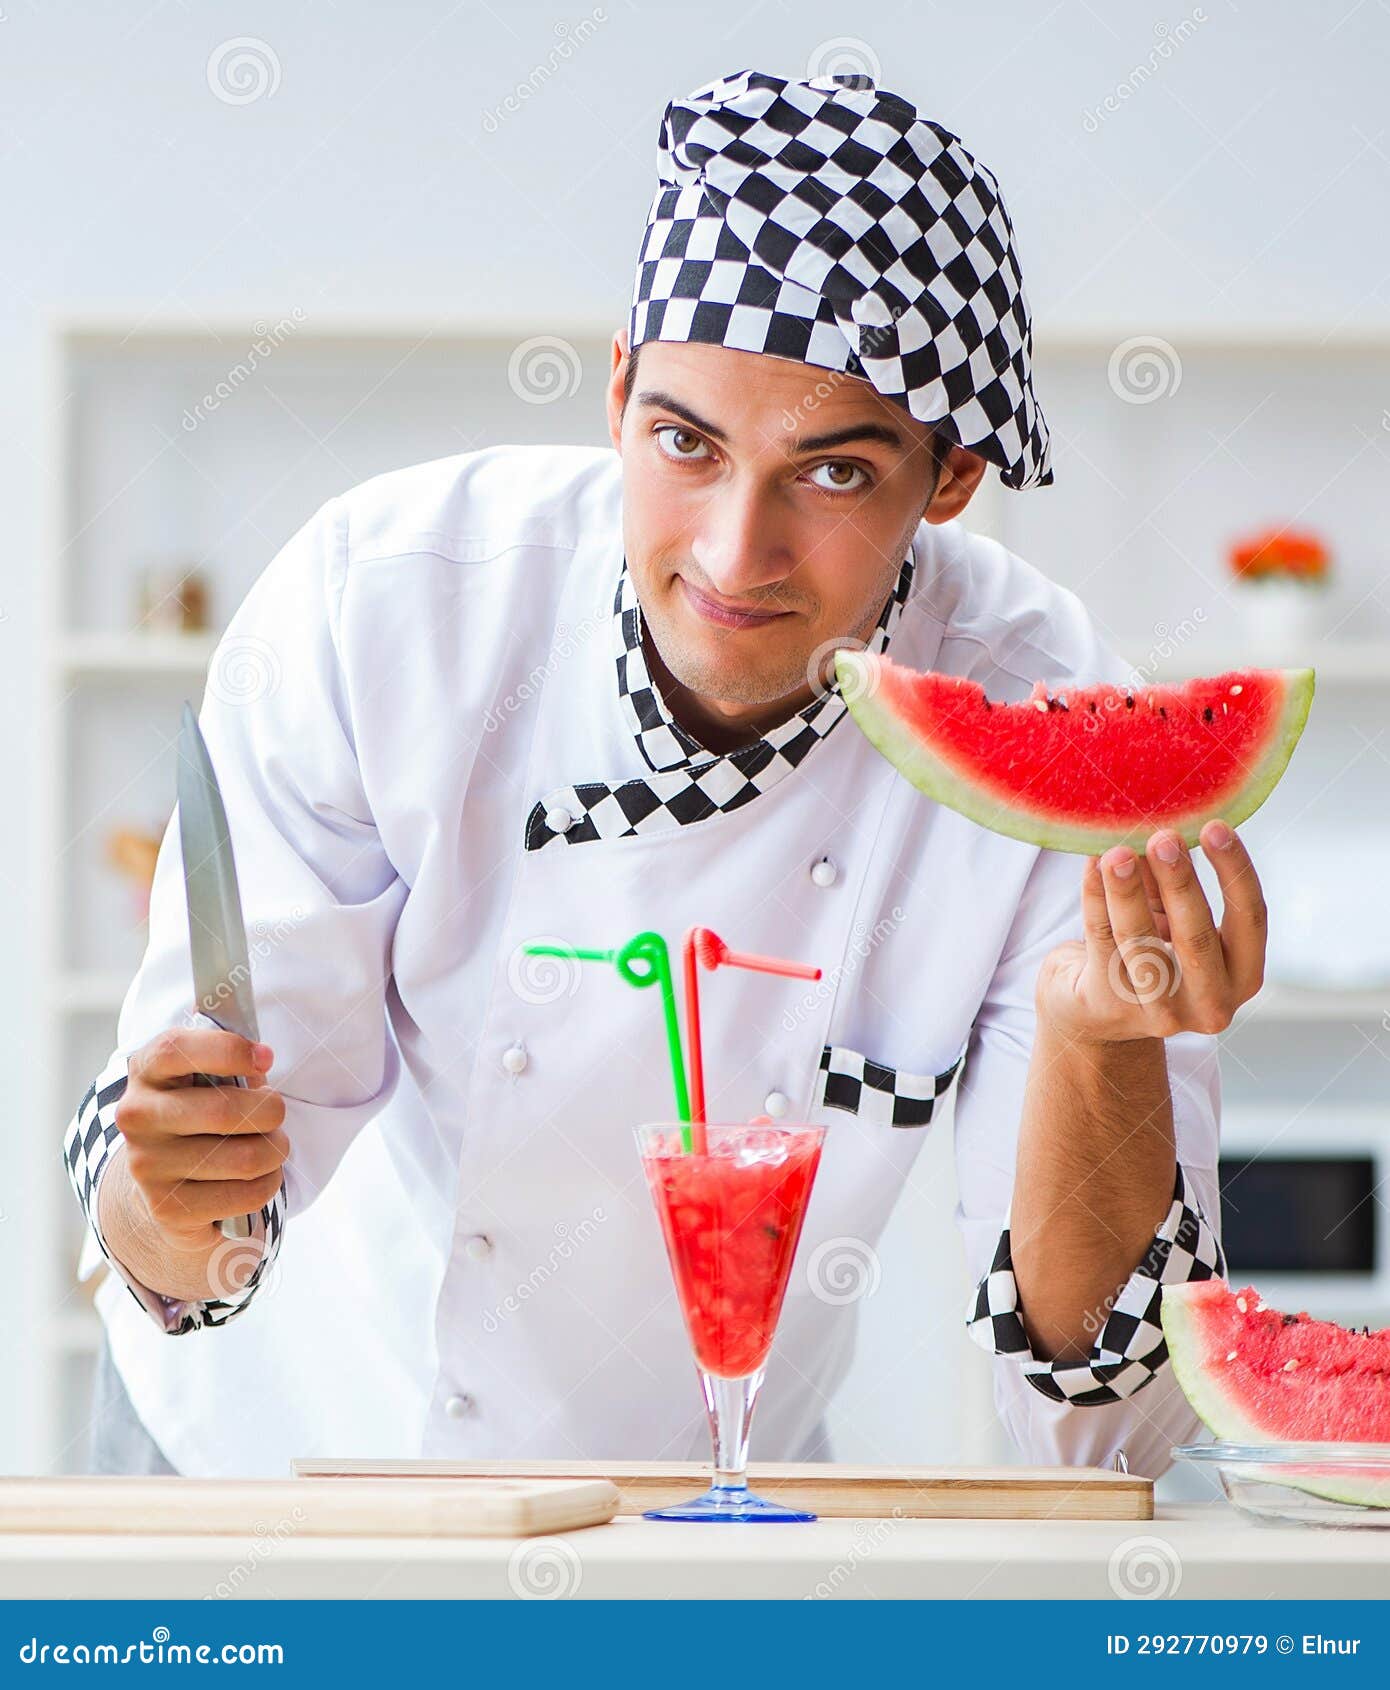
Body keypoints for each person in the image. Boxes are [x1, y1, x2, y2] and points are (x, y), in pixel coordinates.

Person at [64, 69, 1258, 1480]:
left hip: (709, 1508)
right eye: (685, 443)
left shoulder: (1039, 710)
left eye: (829, 474)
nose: (732, 552)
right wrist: (169, 1198)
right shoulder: (384, 603)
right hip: (264, 1458)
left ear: (948, 480)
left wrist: (1097, 1046)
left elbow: (1101, 1422)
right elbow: (194, 1204)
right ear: (619, 387)